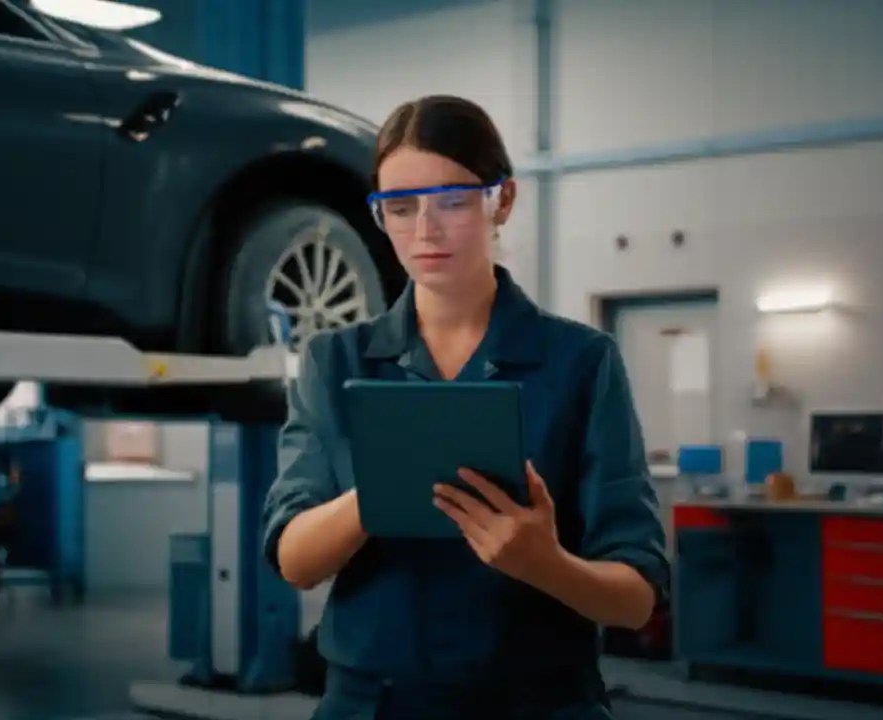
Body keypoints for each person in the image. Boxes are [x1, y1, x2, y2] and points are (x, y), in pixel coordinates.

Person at [261, 94, 669, 720]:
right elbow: (295, 561)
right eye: (400, 207)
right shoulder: (334, 362)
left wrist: (545, 563)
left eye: (452, 200)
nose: (425, 230)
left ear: (501, 199)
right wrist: (378, 493)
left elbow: (636, 599)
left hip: (539, 704)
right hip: (371, 704)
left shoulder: (581, 362)